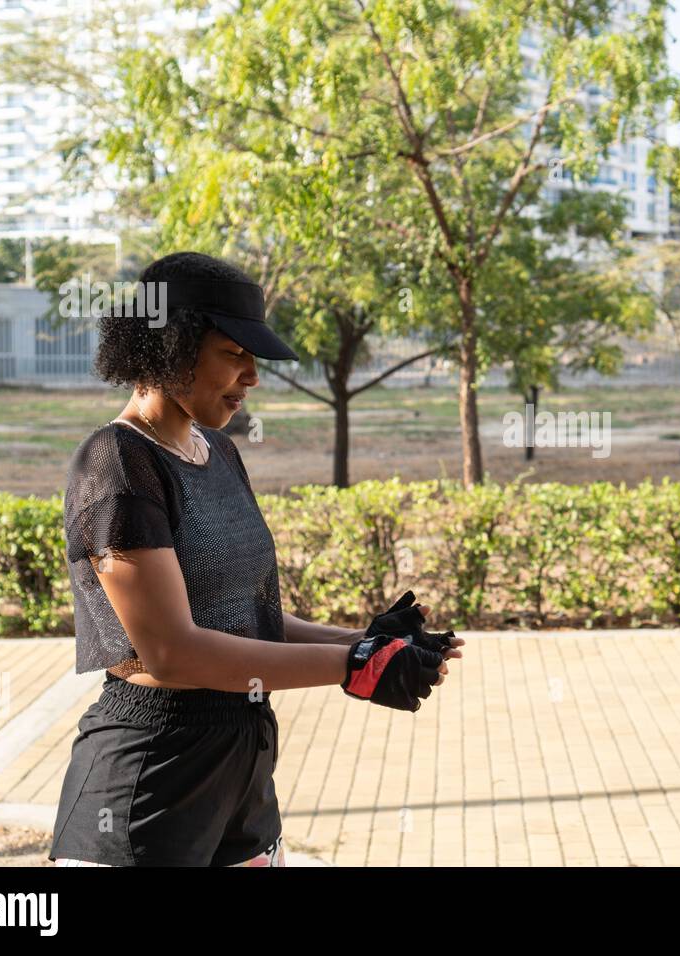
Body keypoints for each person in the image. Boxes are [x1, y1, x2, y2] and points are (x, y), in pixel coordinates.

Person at [48, 251, 464, 867]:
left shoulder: (218, 451)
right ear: (171, 346)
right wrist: (352, 665)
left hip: (243, 773)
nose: (252, 376)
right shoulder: (116, 463)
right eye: (233, 354)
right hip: (150, 779)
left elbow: (245, 614)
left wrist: (367, 640)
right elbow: (172, 652)